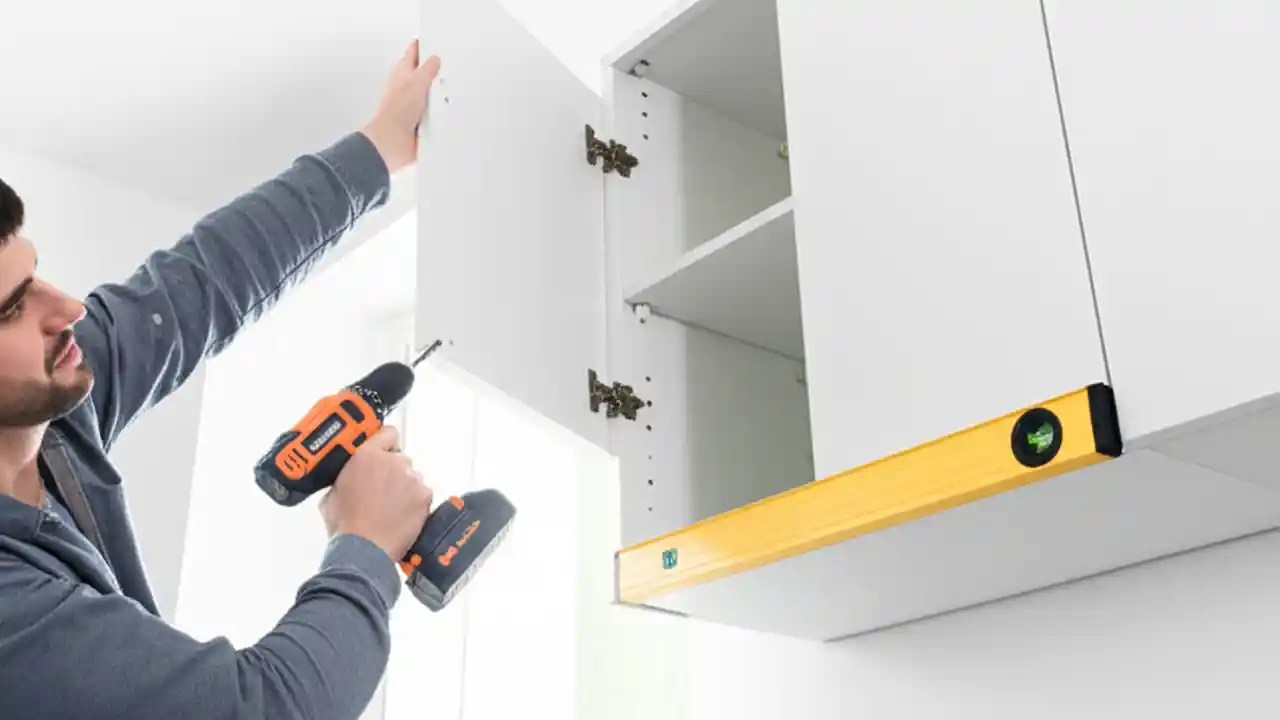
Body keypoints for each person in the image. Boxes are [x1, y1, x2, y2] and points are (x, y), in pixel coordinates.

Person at [0, 41, 442, 719]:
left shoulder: (52, 413)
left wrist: (379, 148)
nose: (69, 310)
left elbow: (202, 282)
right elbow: (263, 708)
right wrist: (367, 546)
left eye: (36, 275)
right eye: (11, 309)